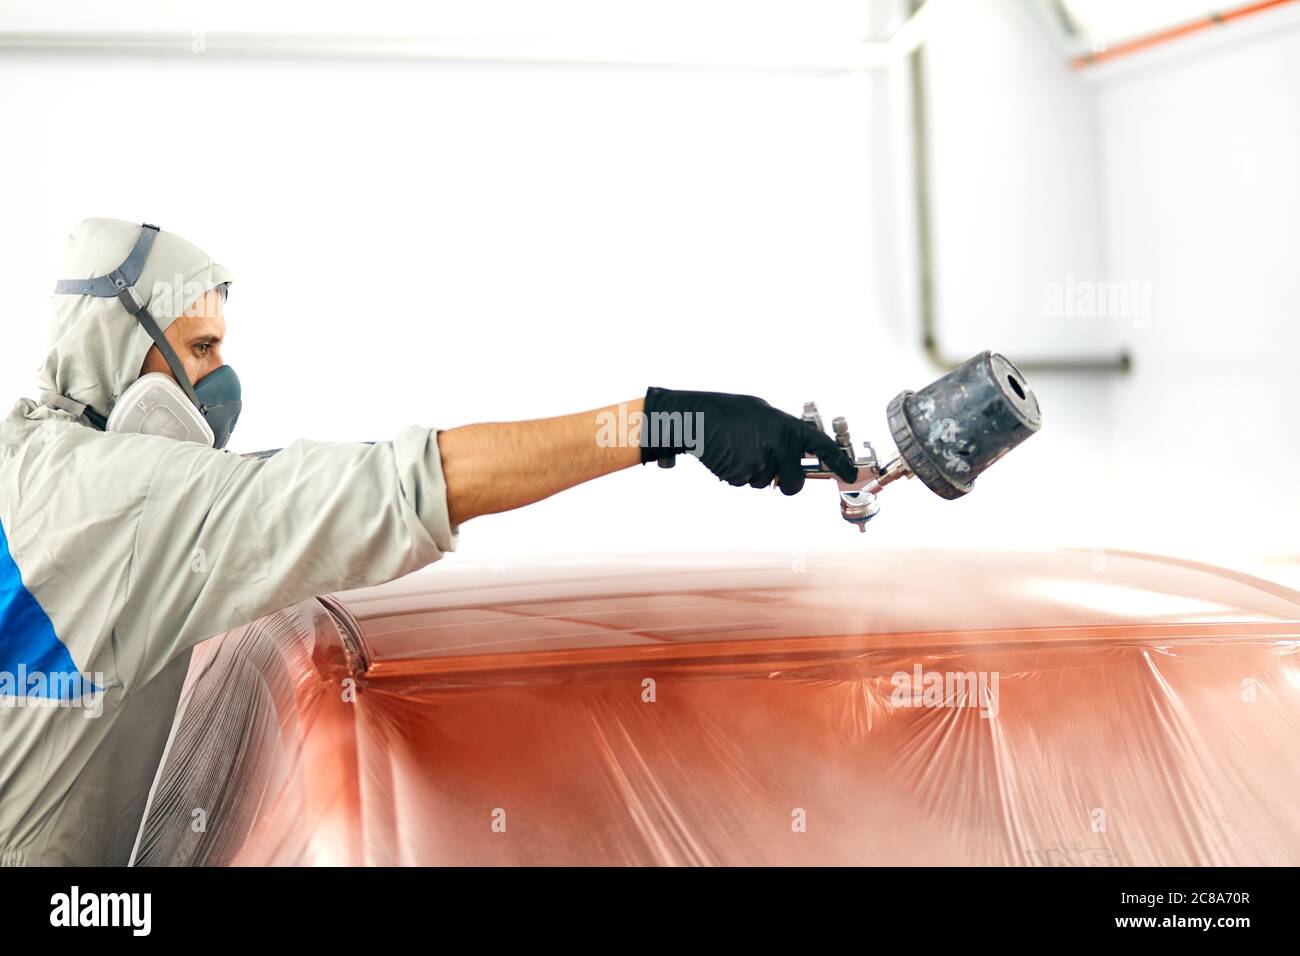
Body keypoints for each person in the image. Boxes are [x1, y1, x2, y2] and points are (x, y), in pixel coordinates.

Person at [0, 218, 856, 866]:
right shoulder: (129, 499)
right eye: (200, 349)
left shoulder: (43, 469)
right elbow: (403, 486)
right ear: (124, 353)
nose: (220, 382)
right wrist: (671, 420)